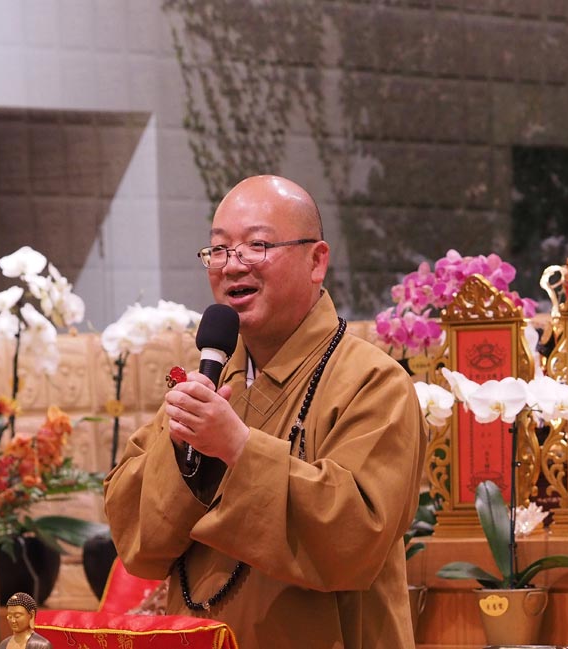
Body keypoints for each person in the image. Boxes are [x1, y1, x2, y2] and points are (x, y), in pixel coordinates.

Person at [104, 175, 427, 648]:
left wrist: (237, 447)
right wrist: (180, 456)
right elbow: (135, 540)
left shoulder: (373, 383)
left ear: (317, 261)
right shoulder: (210, 383)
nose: (232, 266)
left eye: (256, 245)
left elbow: (355, 539)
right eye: (218, 250)